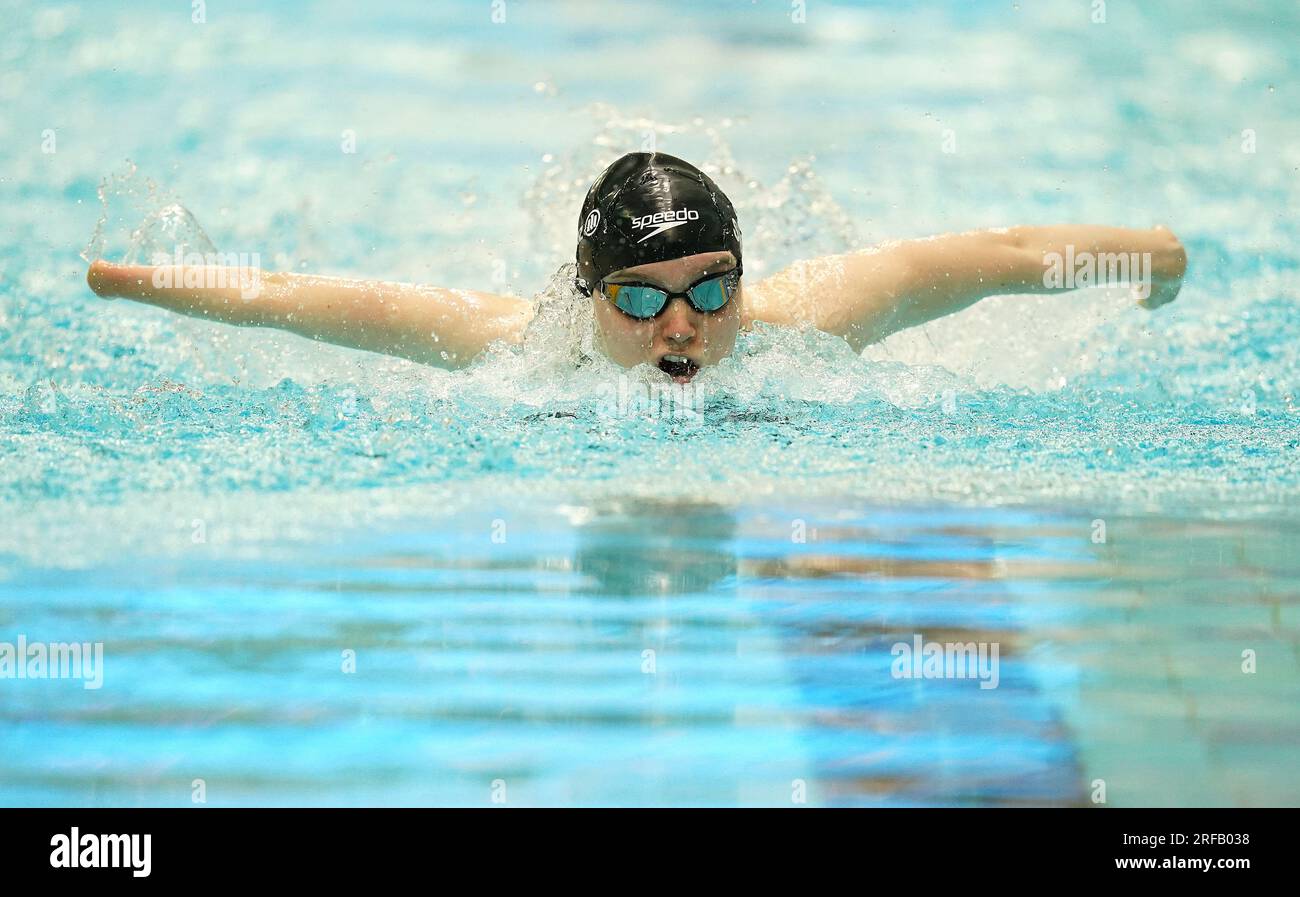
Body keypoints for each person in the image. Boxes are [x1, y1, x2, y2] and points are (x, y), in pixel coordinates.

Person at [85, 152, 1187, 382]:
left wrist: (1150, 262)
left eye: (713, 288)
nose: (684, 329)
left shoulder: (803, 321)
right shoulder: (508, 346)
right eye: (641, 300)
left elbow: (996, 257)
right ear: (586, 299)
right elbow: (286, 298)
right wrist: (132, 282)